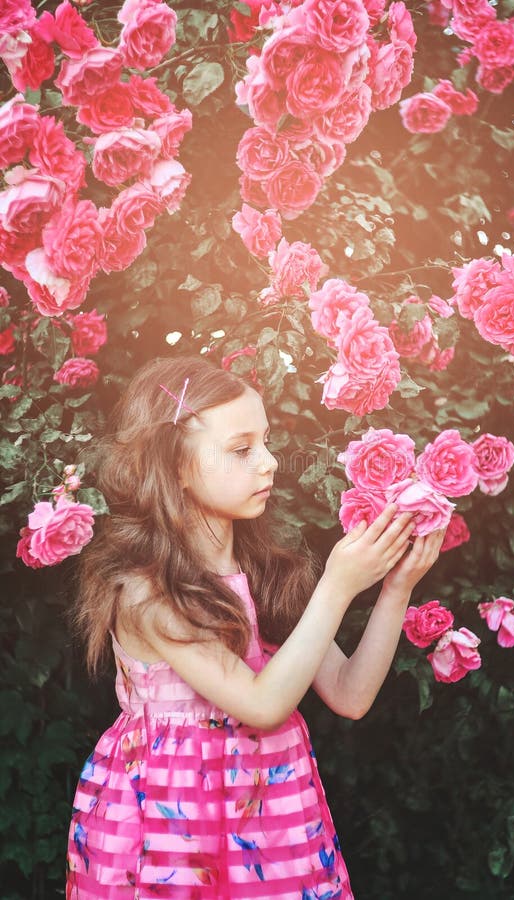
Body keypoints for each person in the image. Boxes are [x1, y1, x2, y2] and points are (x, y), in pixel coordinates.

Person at [66, 355, 445, 899]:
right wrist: (337, 586)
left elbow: (350, 694)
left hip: (269, 815)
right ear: (175, 467)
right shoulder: (149, 592)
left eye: (266, 442)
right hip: (174, 819)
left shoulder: (265, 573)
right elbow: (263, 705)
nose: (269, 463)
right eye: (241, 449)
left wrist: (395, 588)